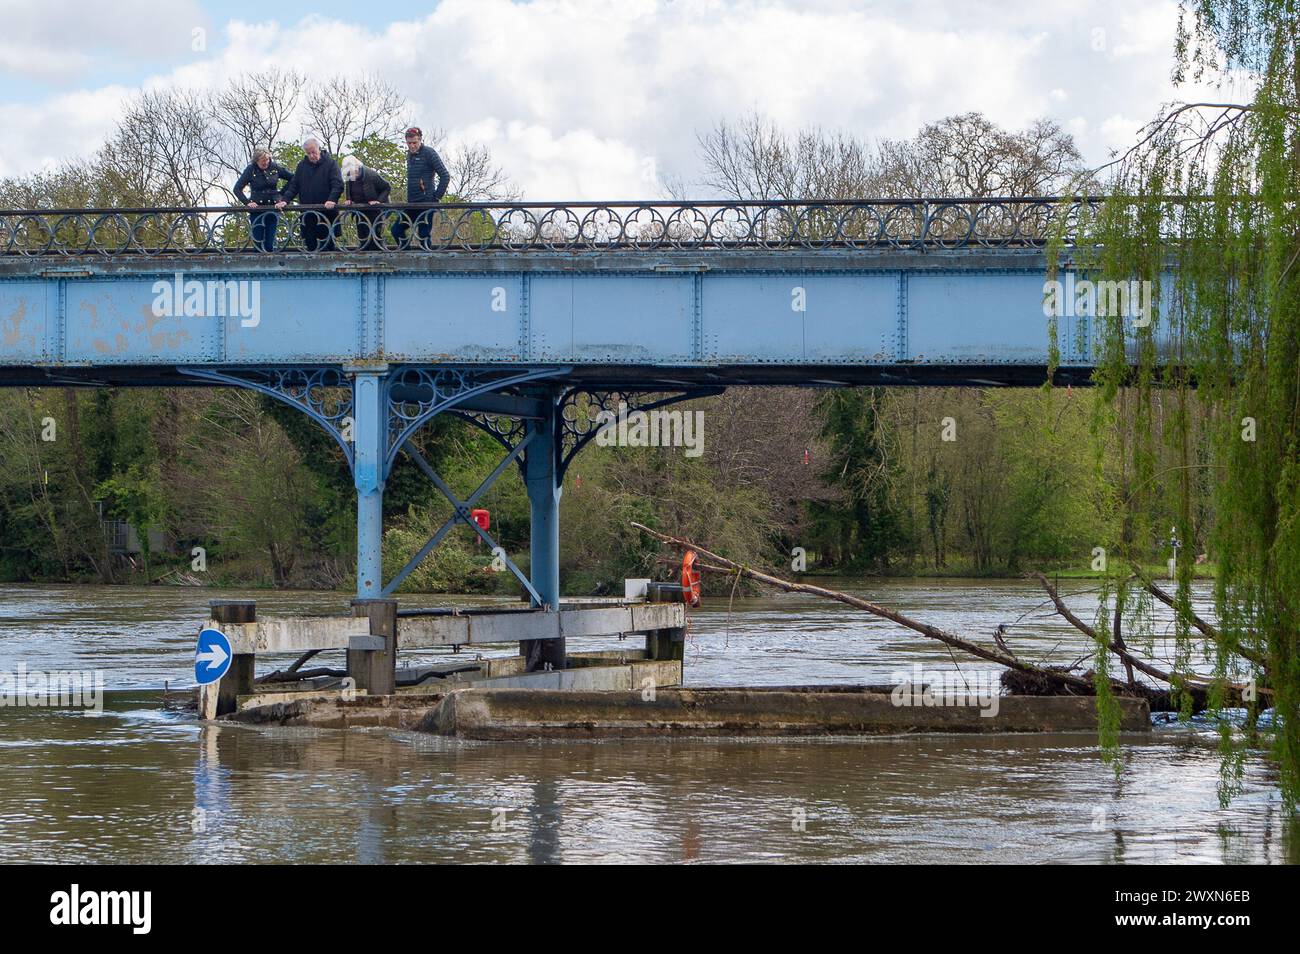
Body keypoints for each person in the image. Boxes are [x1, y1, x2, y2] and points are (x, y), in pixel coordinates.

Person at [276, 137, 343, 251]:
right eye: (308, 153)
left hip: (326, 213)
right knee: (310, 247)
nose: (312, 156)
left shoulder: (331, 164)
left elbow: (338, 184)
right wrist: (285, 200)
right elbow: (294, 186)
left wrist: (332, 199)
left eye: (314, 152)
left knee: (328, 247)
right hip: (308, 214)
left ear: (319, 149)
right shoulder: (301, 166)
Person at [391, 126, 449, 250]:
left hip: (426, 203)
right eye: (409, 143)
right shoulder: (409, 156)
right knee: (396, 230)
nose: (412, 146)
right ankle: (407, 254)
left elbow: (445, 176)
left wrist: (436, 198)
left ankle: (428, 263)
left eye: (414, 143)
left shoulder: (429, 153)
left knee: (423, 236)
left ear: (420, 140)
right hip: (412, 204)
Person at [233, 147, 292, 251]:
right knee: (258, 241)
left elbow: (293, 178)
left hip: (273, 207)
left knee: (270, 242)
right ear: (256, 161)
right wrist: (247, 202)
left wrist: (281, 195)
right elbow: (237, 189)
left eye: (267, 159)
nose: (266, 163)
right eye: (263, 160)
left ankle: (270, 261)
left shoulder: (274, 167)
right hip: (257, 209)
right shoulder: (251, 170)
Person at [340, 155, 391, 251]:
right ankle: (362, 255)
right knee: (362, 235)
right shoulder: (349, 175)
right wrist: (349, 199)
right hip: (360, 209)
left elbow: (387, 187)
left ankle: (377, 258)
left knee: (374, 236)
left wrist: (378, 201)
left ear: (357, 167)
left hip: (374, 209)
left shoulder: (371, 175)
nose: (351, 175)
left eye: (352, 172)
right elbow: (348, 188)